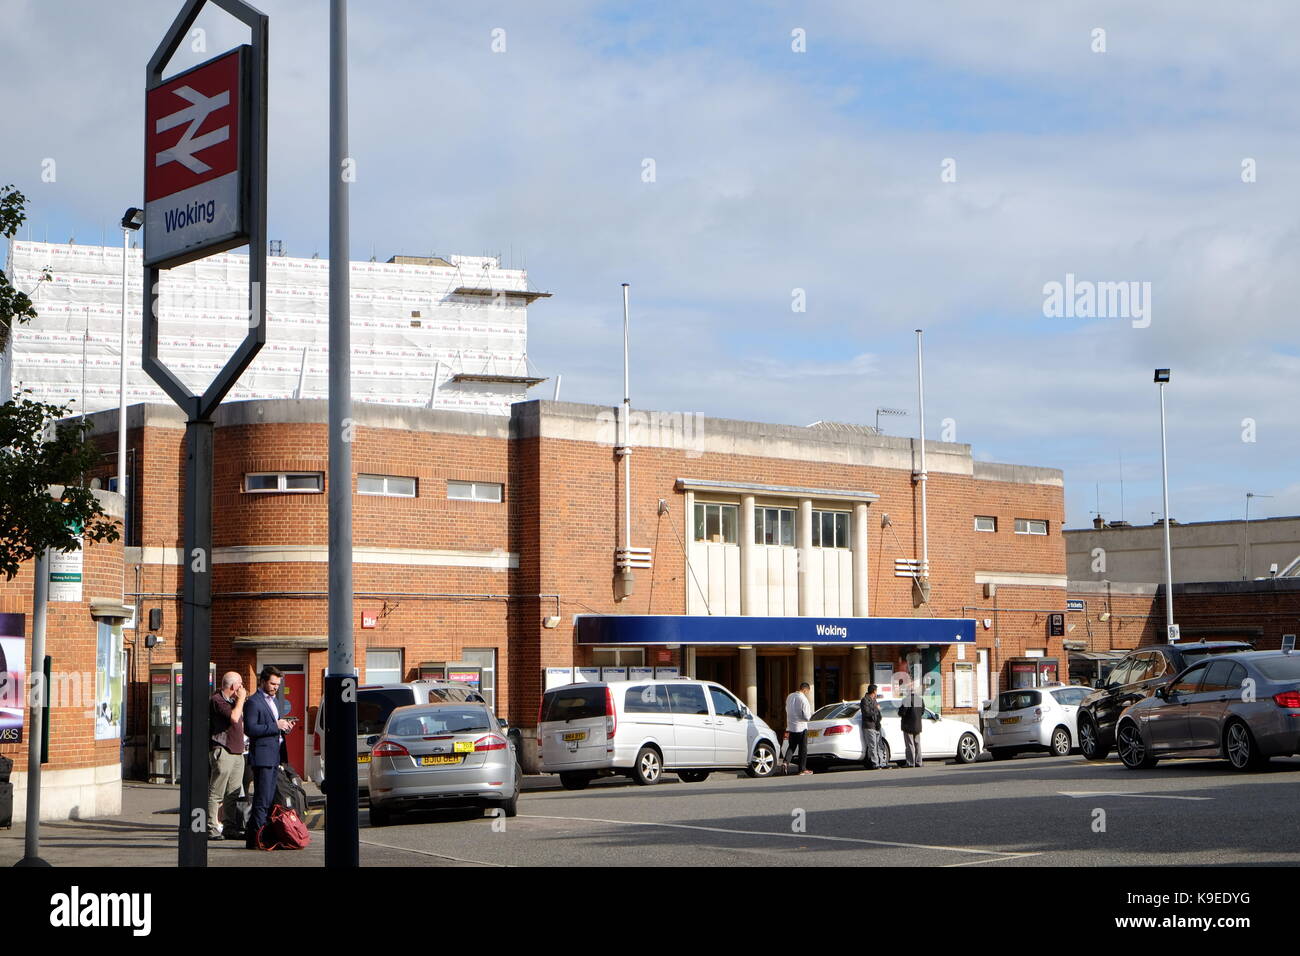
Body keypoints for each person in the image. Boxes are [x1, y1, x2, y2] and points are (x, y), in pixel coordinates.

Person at [243, 665, 295, 847]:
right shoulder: (253, 702)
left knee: (270, 798)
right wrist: (276, 726)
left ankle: (254, 837)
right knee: (262, 799)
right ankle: (258, 838)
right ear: (263, 681)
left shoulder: (273, 701)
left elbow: (275, 726)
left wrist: (285, 727)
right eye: (272, 684)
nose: (275, 687)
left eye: (278, 684)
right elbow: (250, 729)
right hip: (262, 758)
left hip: (274, 756)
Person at [207, 671, 247, 839]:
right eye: (240, 685)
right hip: (223, 750)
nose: (242, 688)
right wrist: (242, 699)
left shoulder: (233, 701)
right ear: (234, 686)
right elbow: (234, 718)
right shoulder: (217, 700)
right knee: (217, 792)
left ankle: (230, 827)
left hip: (238, 751)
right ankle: (211, 828)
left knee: (233, 793)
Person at [783, 682, 813, 776]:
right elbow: (807, 716)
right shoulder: (803, 699)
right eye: (807, 691)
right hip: (801, 726)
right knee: (803, 749)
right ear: (805, 690)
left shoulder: (790, 696)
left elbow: (786, 709)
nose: (807, 693)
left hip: (791, 726)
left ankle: (785, 762)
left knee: (791, 746)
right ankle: (802, 769)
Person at [896, 678, 924, 768]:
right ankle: (919, 762)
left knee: (910, 745)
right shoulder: (920, 699)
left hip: (908, 725)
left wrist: (901, 712)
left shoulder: (907, 700)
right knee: (917, 744)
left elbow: (902, 712)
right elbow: (922, 711)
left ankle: (910, 763)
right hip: (917, 725)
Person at [859, 683, 886, 770]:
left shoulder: (874, 700)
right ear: (874, 691)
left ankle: (882, 763)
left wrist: (879, 716)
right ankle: (875, 764)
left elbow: (878, 713)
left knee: (880, 745)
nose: (876, 693)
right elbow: (867, 713)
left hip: (877, 725)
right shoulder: (864, 700)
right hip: (869, 725)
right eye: (876, 691)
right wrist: (876, 709)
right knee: (873, 746)